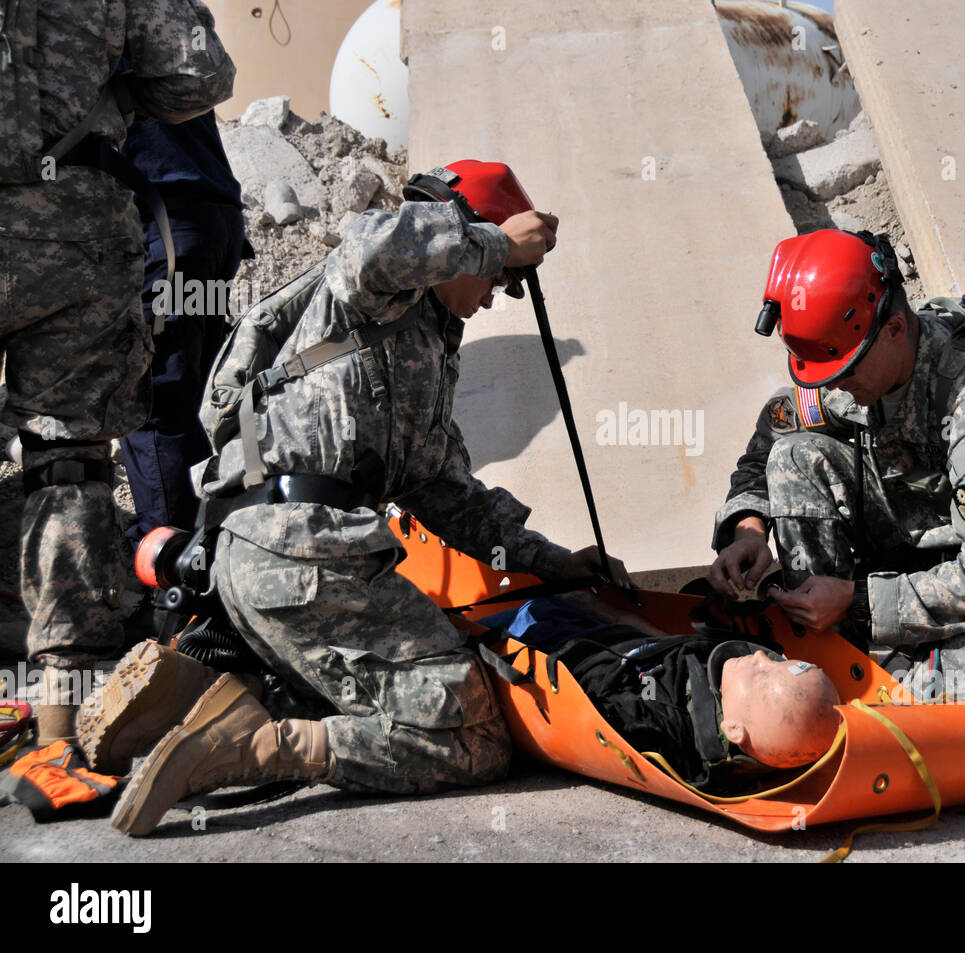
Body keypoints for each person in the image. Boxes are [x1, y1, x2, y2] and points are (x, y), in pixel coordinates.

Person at [82, 160, 634, 836]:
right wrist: (499, 243)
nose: (495, 292)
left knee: (356, 681)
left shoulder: (421, 353)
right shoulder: (375, 290)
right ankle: (252, 747)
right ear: (461, 236)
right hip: (306, 553)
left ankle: (193, 689)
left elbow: (449, 496)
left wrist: (554, 561)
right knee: (475, 732)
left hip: (259, 555)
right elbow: (377, 242)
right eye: (496, 277)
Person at [708, 228, 965, 743]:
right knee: (797, 456)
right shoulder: (857, 369)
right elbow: (771, 437)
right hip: (927, 542)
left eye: (844, 370)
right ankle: (823, 650)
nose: (834, 386)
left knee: (920, 722)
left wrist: (860, 601)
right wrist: (747, 530)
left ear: (896, 329)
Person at [0, 0, 235, 745]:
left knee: (164, 416)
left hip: (167, 223)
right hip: (73, 225)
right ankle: (59, 734)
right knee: (68, 466)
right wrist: (111, 96)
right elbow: (200, 71)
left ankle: (174, 602)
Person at [483, 593, 842, 788]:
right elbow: (664, 645)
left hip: (549, 646)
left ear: (735, 728)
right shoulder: (721, 678)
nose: (761, 656)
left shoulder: (664, 727)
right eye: (777, 661)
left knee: (496, 621)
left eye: (764, 674)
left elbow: (579, 711)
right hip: (598, 630)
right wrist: (603, 609)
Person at [118, 110, 253, 557]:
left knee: (154, 401)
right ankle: (217, 543)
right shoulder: (165, 40)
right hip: (211, 228)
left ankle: (172, 563)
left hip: (168, 228)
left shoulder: (86, 40)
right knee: (198, 397)